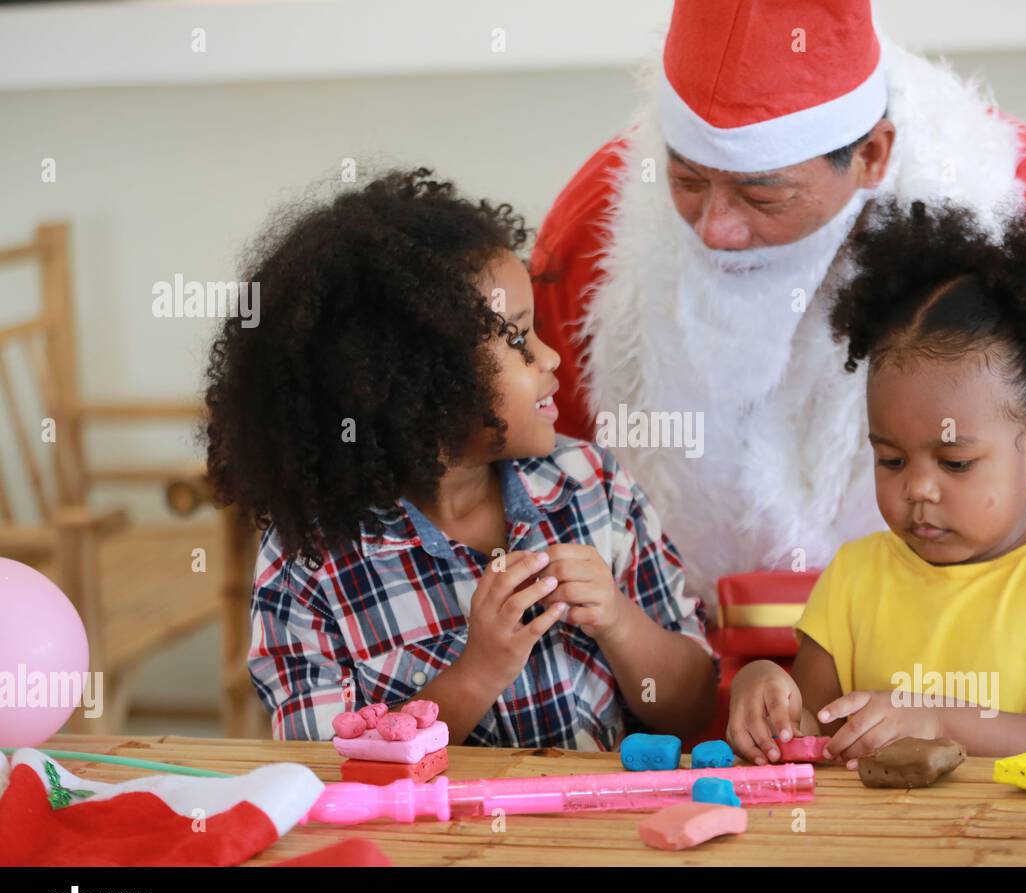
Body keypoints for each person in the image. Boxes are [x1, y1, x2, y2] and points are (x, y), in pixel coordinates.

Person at [530, 0, 1026, 694]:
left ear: (872, 155)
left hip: (988, 672)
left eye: (761, 195)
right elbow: (543, 459)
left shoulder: (1011, 195)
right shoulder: (605, 217)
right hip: (694, 685)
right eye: (686, 179)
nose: (715, 228)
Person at [202, 169, 718, 746]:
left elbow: (693, 709)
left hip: (600, 835)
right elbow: (330, 772)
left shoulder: (595, 485)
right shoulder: (310, 563)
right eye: (518, 340)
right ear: (420, 383)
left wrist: (620, 621)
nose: (550, 359)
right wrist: (479, 671)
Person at [728, 199, 1026, 763]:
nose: (919, 489)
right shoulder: (853, 579)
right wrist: (769, 693)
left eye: (955, 462)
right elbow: (820, 735)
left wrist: (937, 719)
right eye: (891, 460)